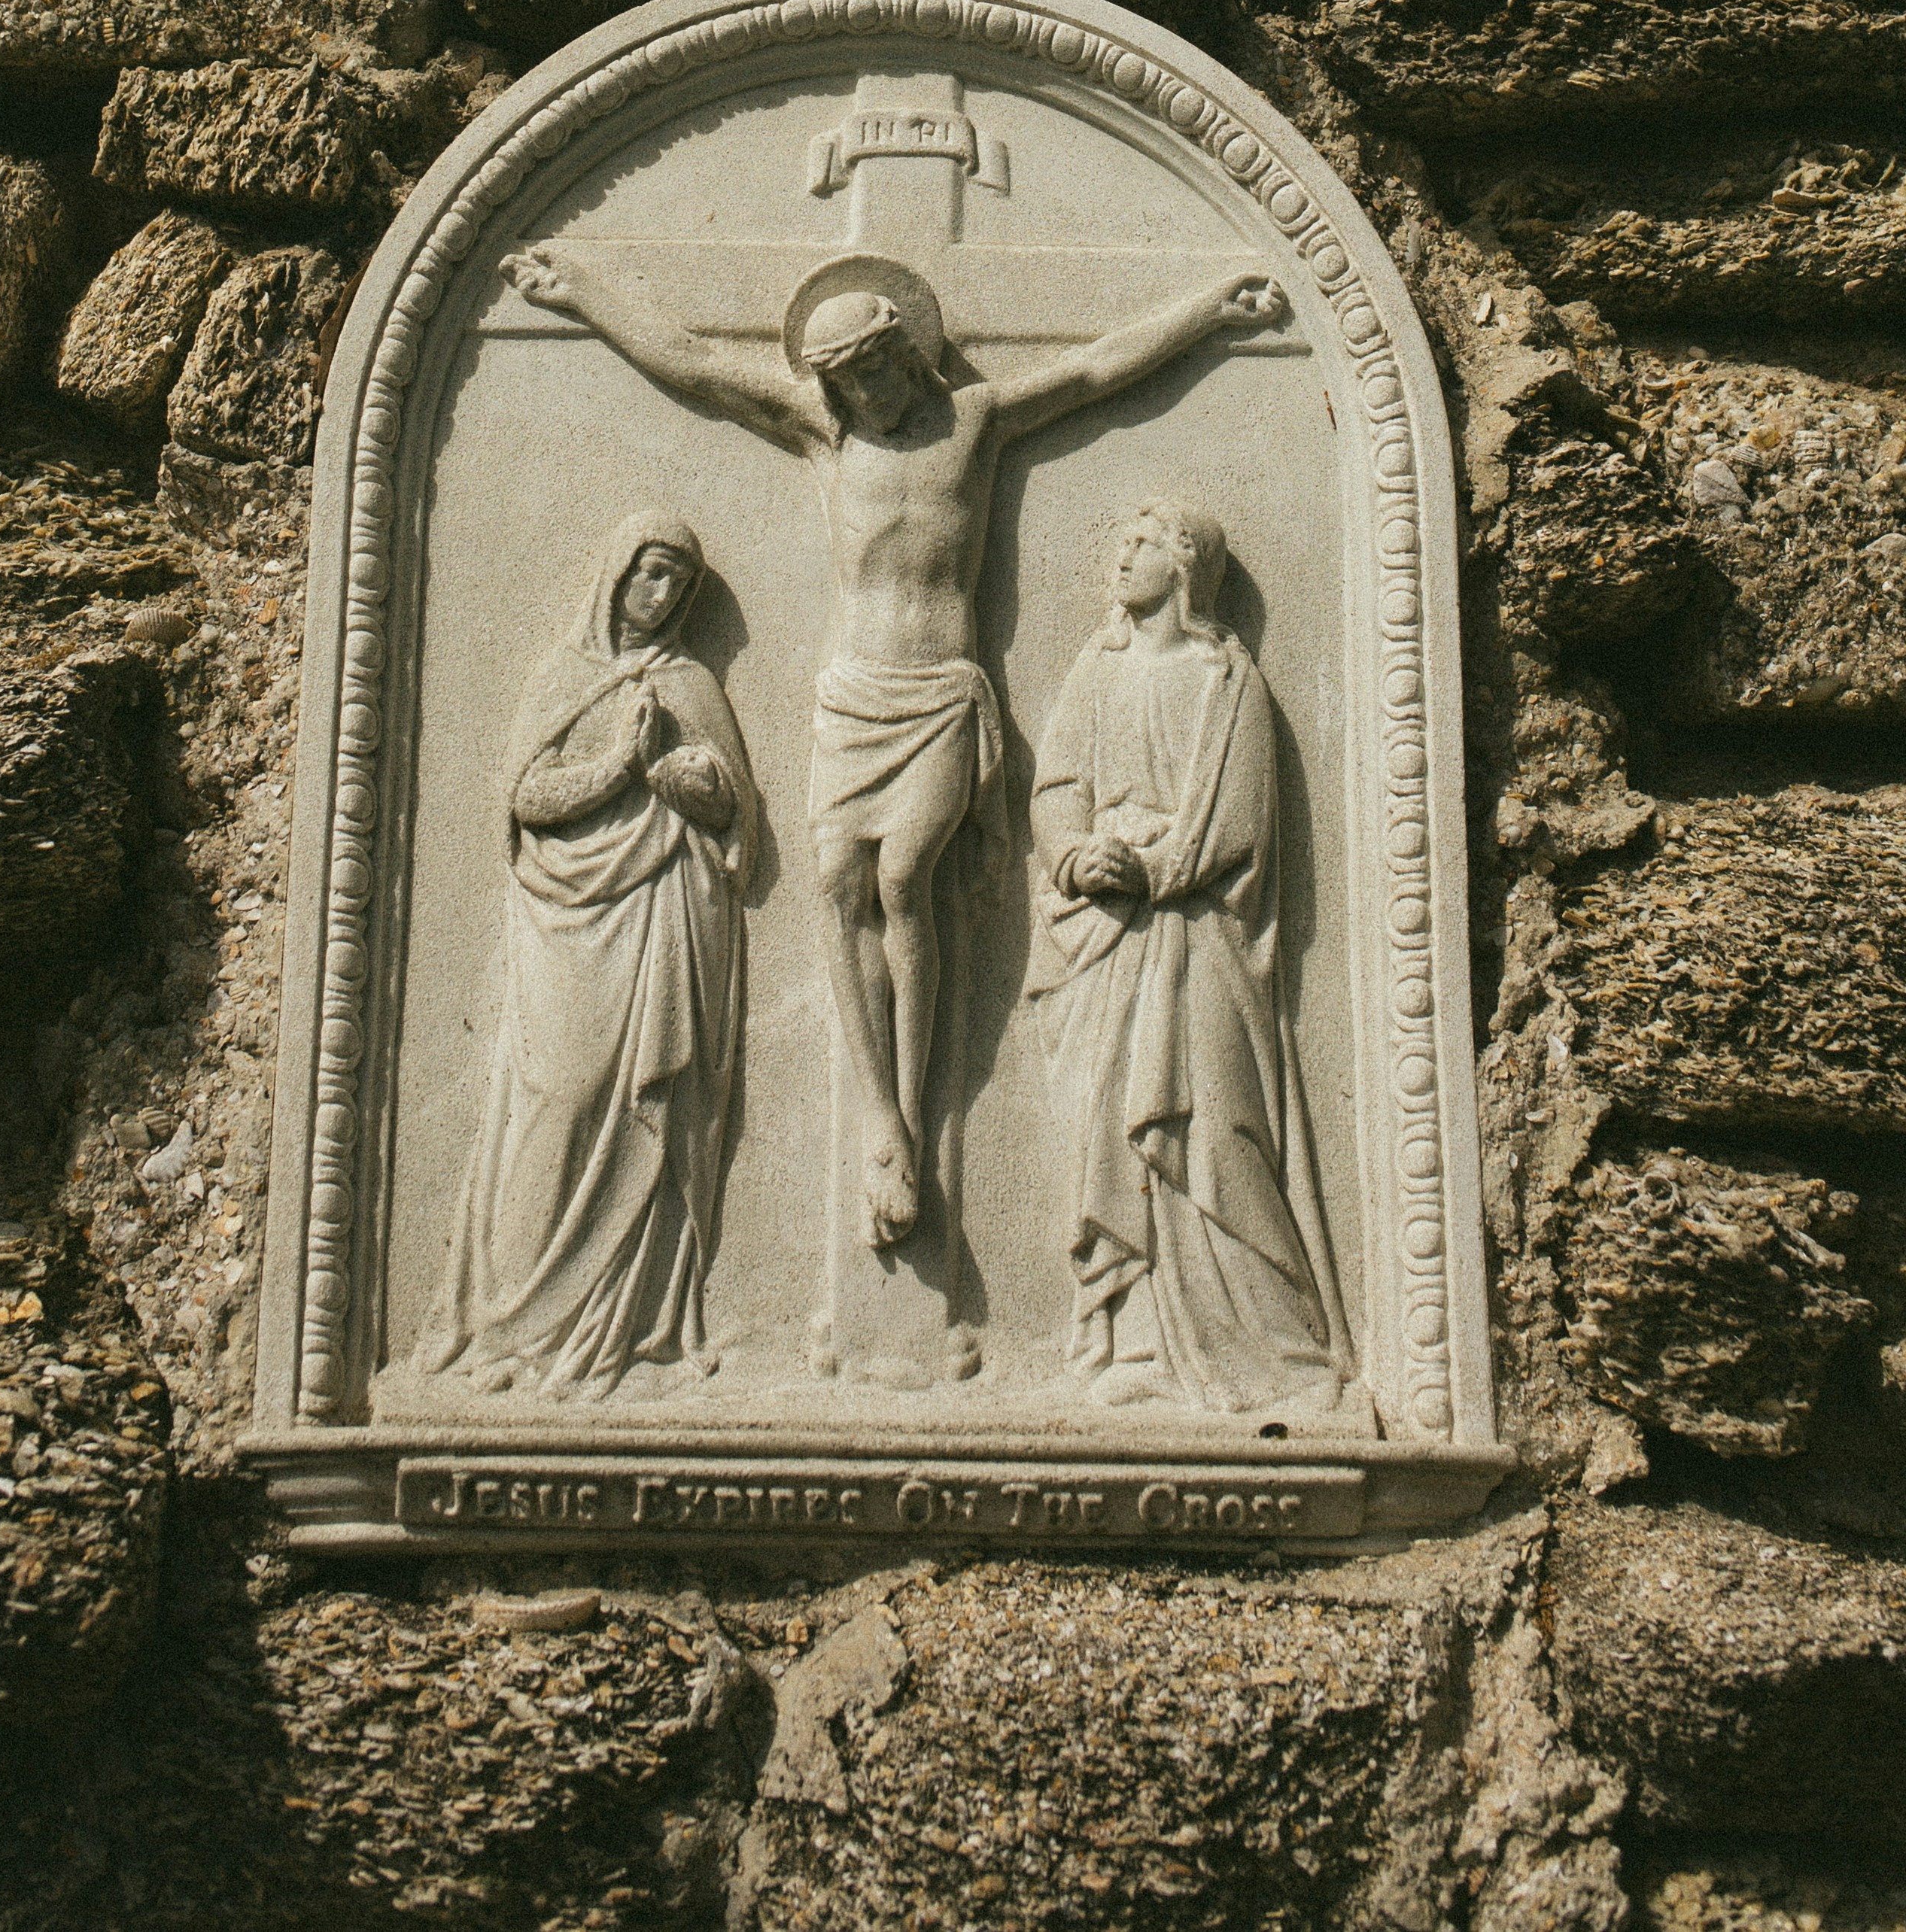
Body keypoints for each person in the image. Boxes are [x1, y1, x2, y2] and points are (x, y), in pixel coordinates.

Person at [503, 238, 1286, 1246]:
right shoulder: (826, 433)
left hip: (943, 693)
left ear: (907, 353)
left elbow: (1099, 365)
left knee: (907, 877)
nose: (860, 392)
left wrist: (1208, 306)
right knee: (838, 882)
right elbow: (693, 362)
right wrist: (586, 294)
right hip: (855, 694)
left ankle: (911, 1116)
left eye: (872, 370)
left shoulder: (976, 421)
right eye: (840, 380)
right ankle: (879, 1117)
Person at [412, 511, 758, 1396]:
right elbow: (528, 795)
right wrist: (620, 765)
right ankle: (512, 1325)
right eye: (650, 575)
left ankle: (628, 1333)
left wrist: (690, 781)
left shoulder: (688, 681)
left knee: (657, 1109)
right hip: (567, 925)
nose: (661, 596)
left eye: (678, 586)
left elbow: (733, 813)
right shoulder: (566, 676)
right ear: (614, 576)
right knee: (559, 1098)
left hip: (664, 916)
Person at [1025, 500, 1354, 1423]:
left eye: (1139, 544)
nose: (1118, 556)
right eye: (1120, 541)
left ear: (1183, 566)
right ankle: (1129, 1340)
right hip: (1098, 934)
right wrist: (1071, 855)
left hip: (1195, 932)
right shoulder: (1096, 670)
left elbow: (1237, 823)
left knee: (1212, 1131)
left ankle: (1264, 1346)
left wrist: (1153, 866)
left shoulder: (1228, 681)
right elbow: (1057, 788)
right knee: (1099, 1128)